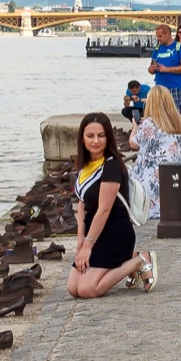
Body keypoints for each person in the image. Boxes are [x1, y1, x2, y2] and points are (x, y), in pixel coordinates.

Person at [66, 112, 153, 298]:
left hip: (114, 232)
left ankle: (138, 261)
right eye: (90, 136)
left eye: (101, 135)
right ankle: (129, 257)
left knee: (87, 289)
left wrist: (88, 247)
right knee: (73, 288)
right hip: (94, 232)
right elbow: (82, 205)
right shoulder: (85, 166)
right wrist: (81, 239)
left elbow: (104, 210)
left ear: (108, 138)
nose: (95, 141)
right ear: (82, 138)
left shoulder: (112, 165)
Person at [130, 83, 181, 218]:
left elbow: (133, 144)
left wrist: (135, 126)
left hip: (154, 180)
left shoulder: (149, 123)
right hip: (178, 177)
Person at [149, 24, 181, 118]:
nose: (158, 38)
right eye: (157, 36)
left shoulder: (179, 47)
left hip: (175, 87)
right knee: (160, 116)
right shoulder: (157, 49)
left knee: (177, 115)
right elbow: (151, 67)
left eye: (160, 36)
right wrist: (151, 69)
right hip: (160, 88)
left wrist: (167, 69)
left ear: (168, 34)